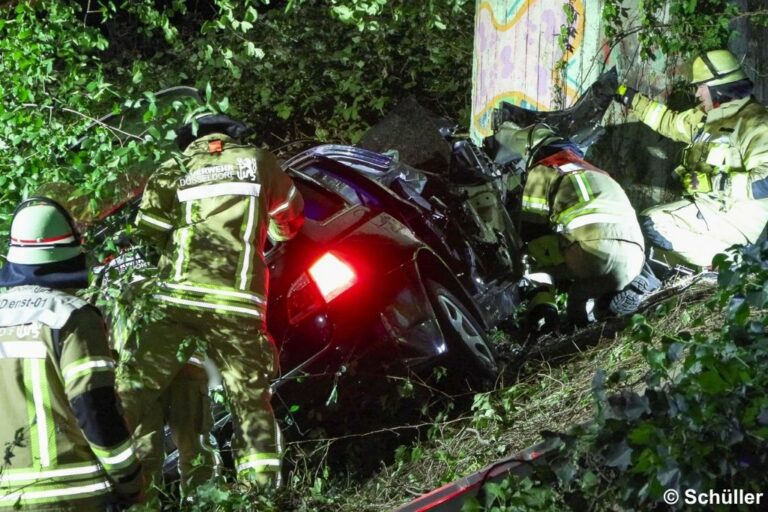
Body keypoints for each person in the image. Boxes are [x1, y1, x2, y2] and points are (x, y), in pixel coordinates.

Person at [116, 113, 304, 494]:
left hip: (176, 299)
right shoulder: (259, 161)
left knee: (134, 389)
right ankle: (262, 494)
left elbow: (150, 233)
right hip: (237, 303)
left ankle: (98, 474)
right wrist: (276, 235)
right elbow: (290, 216)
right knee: (250, 400)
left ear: (190, 138)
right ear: (231, 134)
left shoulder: (173, 168)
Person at [0, 197, 144, 511]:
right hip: (70, 497)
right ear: (71, 253)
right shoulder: (72, 318)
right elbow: (94, 409)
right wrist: (130, 480)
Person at [615, 49, 768, 275]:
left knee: (653, 224)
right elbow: (667, 121)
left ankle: (734, 263)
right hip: (708, 211)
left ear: (718, 86)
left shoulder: (756, 123)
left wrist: (715, 183)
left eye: (701, 86)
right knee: (646, 225)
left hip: (737, 223)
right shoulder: (709, 118)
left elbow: (764, 181)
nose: (697, 93)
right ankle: (694, 275)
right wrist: (628, 97)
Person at [489, 122, 646, 328]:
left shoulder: (543, 170)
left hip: (592, 254)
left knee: (532, 251)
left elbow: (532, 229)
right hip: (635, 260)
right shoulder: (598, 172)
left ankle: (549, 313)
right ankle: (601, 312)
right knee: (584, 286)